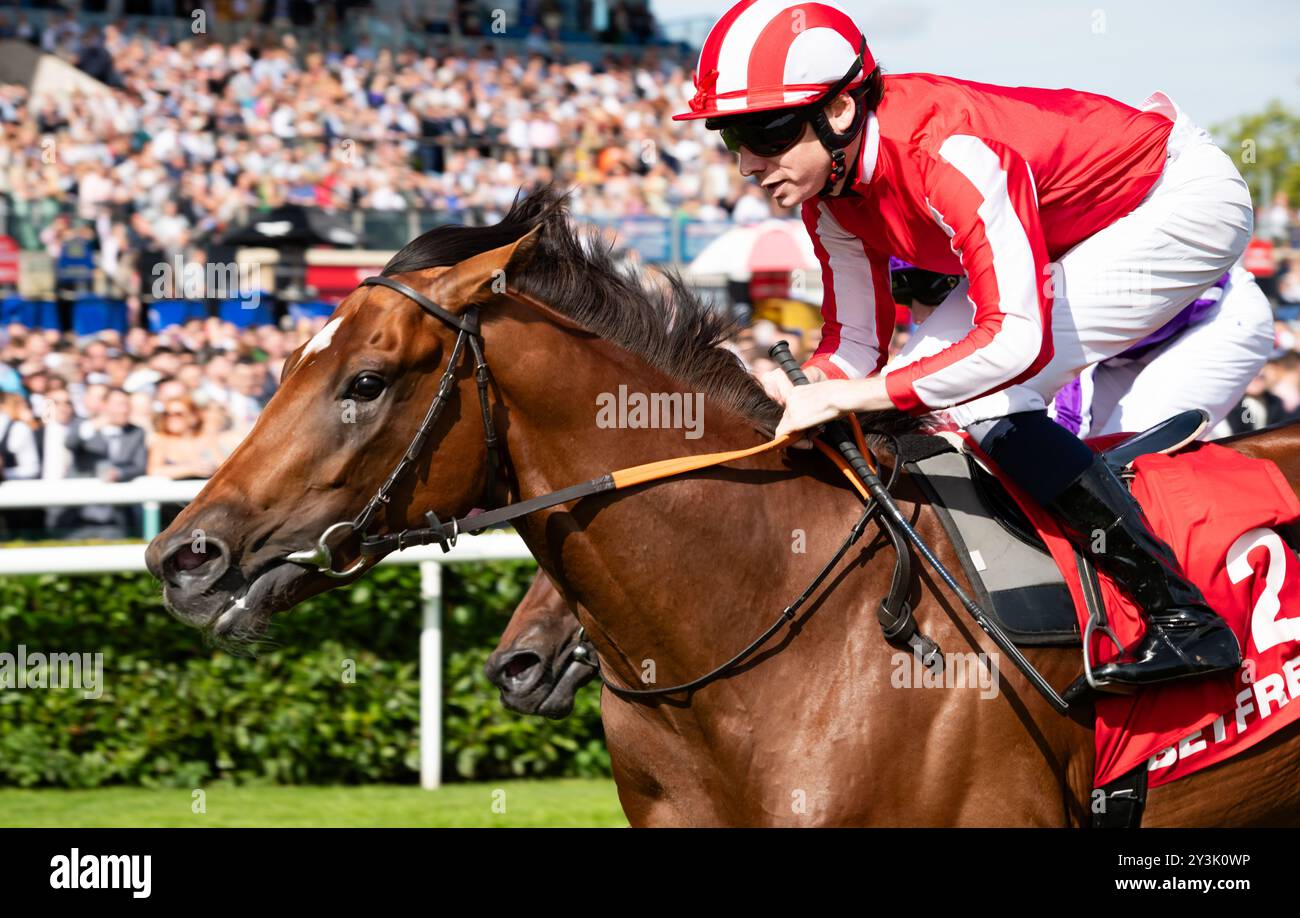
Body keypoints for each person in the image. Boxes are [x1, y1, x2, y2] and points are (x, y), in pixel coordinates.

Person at [675, 0, 1261, 690]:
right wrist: (802, 389)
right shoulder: (827, 195)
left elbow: (1013, 341)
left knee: (983, 396)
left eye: (765, 133)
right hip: (1083, 224)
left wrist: (854, 394)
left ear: (839, 111)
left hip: (1175, 201)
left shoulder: (946, 150)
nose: (748, 163)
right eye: (730, 136)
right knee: (922, 384)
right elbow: (854, 347)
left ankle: (1184, 619)